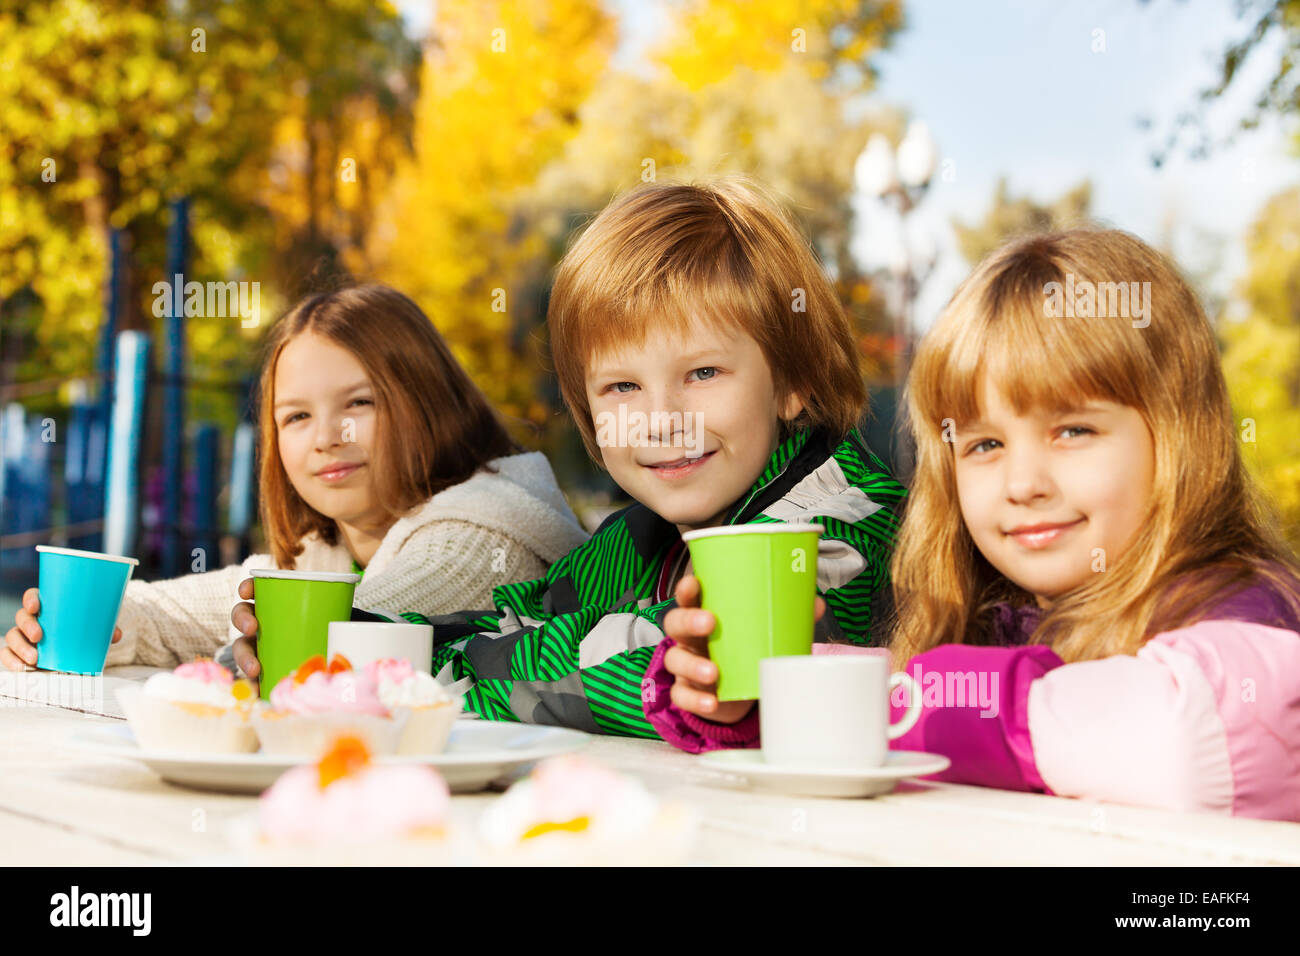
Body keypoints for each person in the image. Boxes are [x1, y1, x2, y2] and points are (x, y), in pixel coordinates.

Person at [657, 228, 1300, 821]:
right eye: (985, 446)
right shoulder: (995, 618)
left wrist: (904, 706)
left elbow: (1187, 737)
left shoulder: (1246, 614)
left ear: (1181, 436)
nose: (1023, 485)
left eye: (1073, 431)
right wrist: (755, 698)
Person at [230, 178, 906, 731]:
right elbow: (523, 614)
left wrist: (423, 677)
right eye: (622, 386)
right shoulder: (637, 538)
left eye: (703, 374)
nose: (662, 422)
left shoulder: (842, 524)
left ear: (793, 380)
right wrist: (358, 639)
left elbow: (652, 661)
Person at [2, 284, 589, 673]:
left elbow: (358, 623)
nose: (326, 436)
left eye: (358, 403)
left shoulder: (488, 532)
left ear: (428, 400)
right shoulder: (327, 554)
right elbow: (183, 611)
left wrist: (235, 657)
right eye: (297, 416)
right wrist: (71, 623)